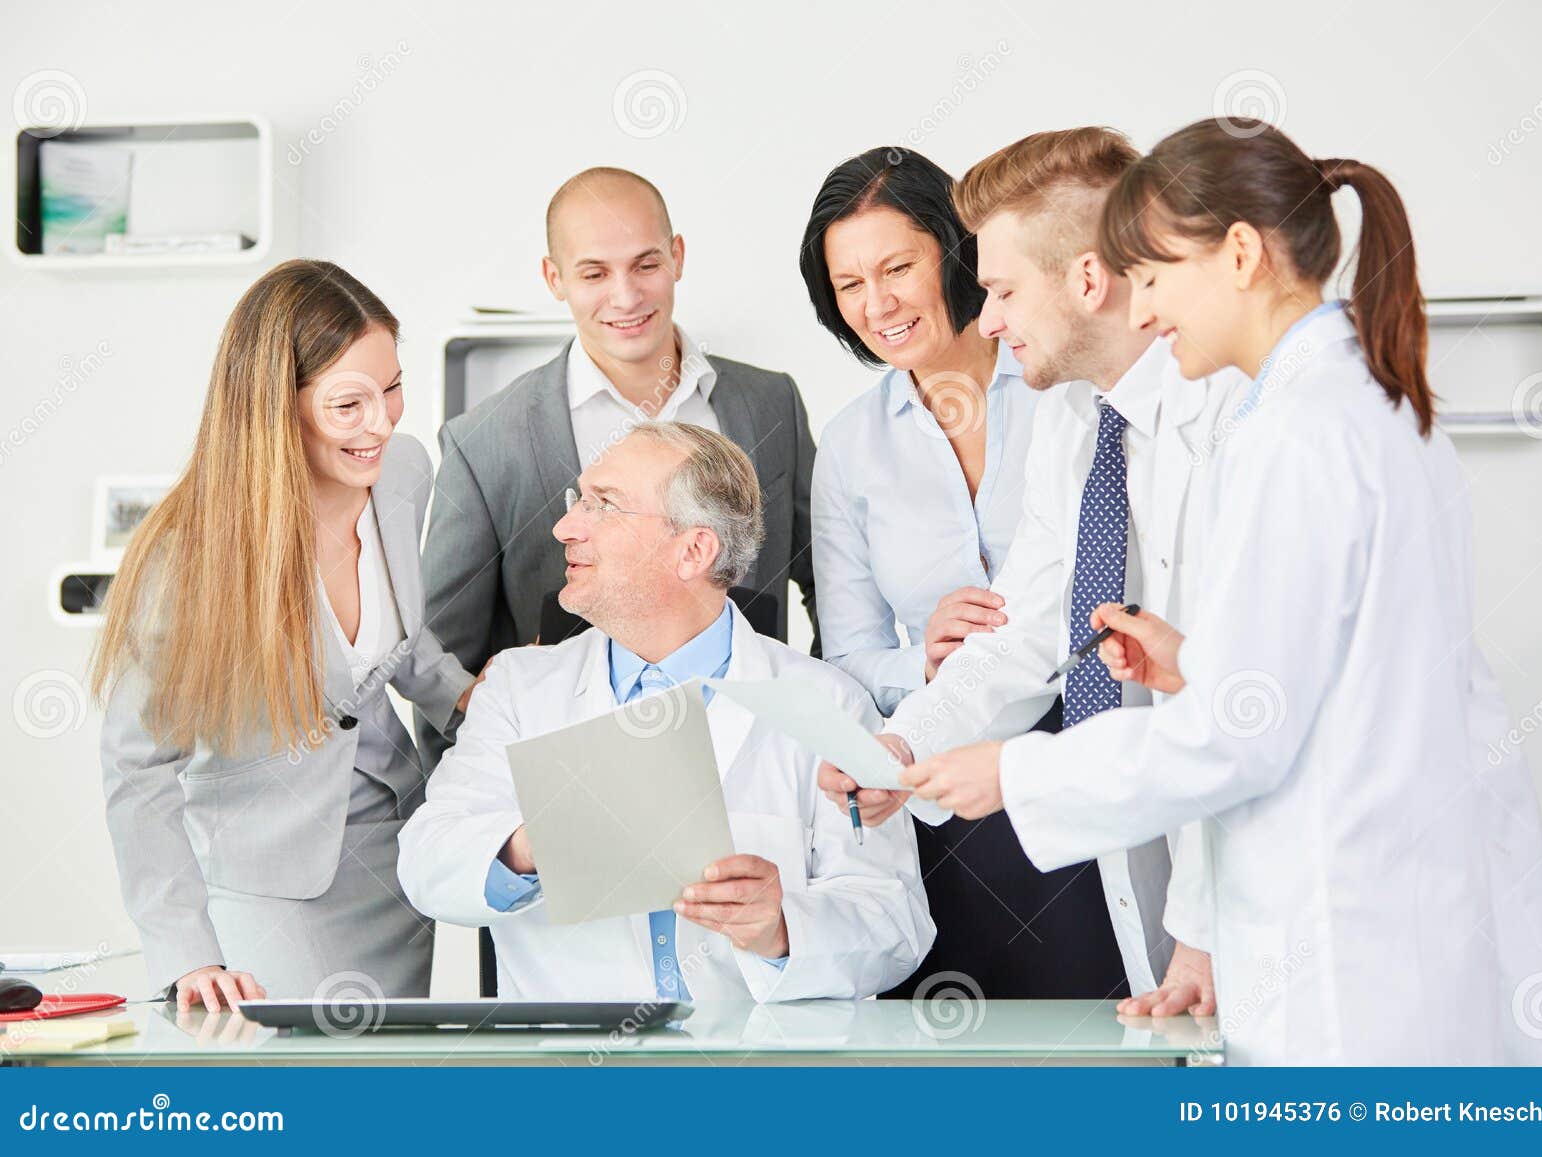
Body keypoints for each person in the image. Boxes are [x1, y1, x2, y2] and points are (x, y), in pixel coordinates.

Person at [893, 118, 1542, 1064]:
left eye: (1156, 276)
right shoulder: (1331, 402)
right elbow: (1308, 666)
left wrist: (1013, 773)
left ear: (1242, 256)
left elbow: (1241, 732)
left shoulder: (1289, 431)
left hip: (1354, 940)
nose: (1145, 305)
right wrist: (1196, 662)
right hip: (1350, 915)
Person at [800, 145, 1170, 1000]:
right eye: (850, 283)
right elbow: (1027, 629)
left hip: (1105, 759)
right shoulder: (863, 443)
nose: (878, 302)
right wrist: (900, 739)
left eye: (899, 267)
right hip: (954, 779)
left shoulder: (1071, 392)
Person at [398, 422, 933, 1001]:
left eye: (605, 505)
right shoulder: (517, 689)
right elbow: (426, 864)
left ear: (694, 551)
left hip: (752, 1072)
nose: (564, 527)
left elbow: (896, 922)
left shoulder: (827, 703)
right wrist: (533, 845)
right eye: (580, 500)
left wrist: (778, 929)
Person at [91, 260, 483, 1013]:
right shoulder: (187, 555)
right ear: (276, 406)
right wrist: (187, 955)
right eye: (349, 404)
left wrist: (469, 697)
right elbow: (137, 771)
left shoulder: (404, 473)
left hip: (391, 855)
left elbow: (398, 637)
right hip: (268, 882)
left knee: (381, 1109)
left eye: (392, 387)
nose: (383, 422)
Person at [417, 167, 821, 769]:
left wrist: (839, 734)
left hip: (755, 762)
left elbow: (826, 582)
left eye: (646, 265)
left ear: (677, 256)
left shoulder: (770, 403)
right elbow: (445, 665)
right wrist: (481, 816)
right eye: (594, 273)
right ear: (554, 278)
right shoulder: (484, 441)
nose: (627, 296)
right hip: (574, 780)